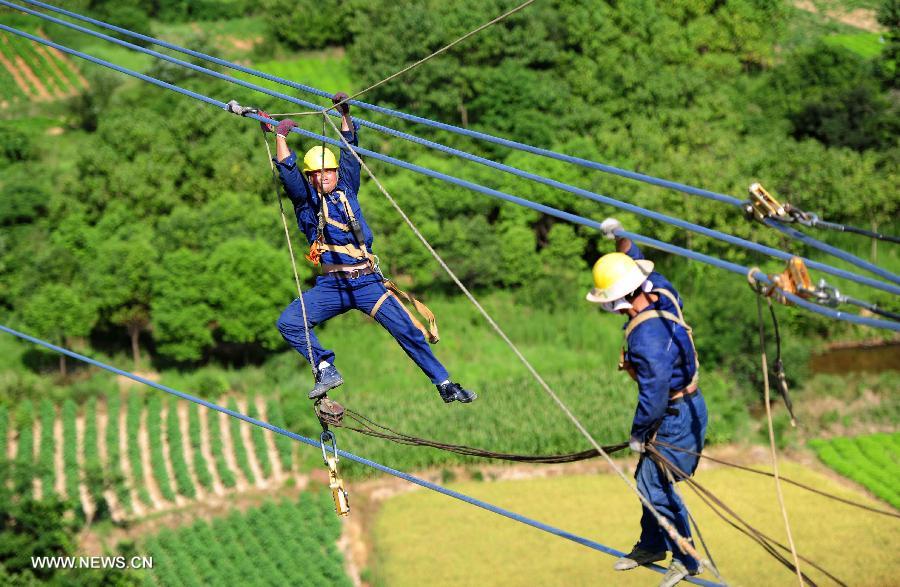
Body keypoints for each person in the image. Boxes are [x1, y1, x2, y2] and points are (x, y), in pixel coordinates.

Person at [262, 93, 476, 404]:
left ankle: (444, 383)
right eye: (317, 174)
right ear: (310, 178)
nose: (324, 178)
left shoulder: (347, 187)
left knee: (408, 330)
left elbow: (349, 149)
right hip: (332, 286)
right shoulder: (306, 202)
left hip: (366, 282)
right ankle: (325, 367)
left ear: (335, 173)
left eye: (328, 172)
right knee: (289, 322)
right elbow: (288, 171)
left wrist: (345, 114)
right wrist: (280, 137)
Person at [586, 218, 708, 587]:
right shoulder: (660, 289)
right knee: (647, 481)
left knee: (656, 486)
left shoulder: (647, 342)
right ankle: (652, 544)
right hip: (682, 409)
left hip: (675, 415)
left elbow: (653, 395)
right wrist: (621, 237)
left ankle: (687, 559)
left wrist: (638, 433)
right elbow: (631, 259)